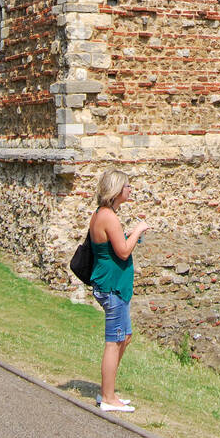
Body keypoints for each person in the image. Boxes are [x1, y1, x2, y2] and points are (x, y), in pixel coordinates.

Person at [88, 169, 148, 413]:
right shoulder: (107, 216)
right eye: (126, 187)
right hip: (111, 287)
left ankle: (109, 391)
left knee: (125, 337)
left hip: (116, 287)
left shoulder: (106, 214)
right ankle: (108, 397)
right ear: (115, 190)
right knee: (114, 341)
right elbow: (123, 251)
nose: (130, 190)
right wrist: (138, 231)